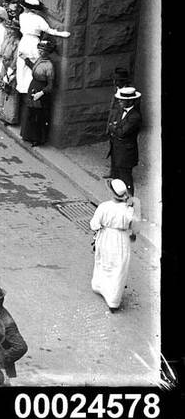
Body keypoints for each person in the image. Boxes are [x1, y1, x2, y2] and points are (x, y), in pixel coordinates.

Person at [90, 179, 139, 312]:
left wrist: (100, 227)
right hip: (121, 239)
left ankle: (100, 287)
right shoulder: (129, 210)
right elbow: (134, 227)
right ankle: (113, 300)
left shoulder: (104, 207)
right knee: (119, 267)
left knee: (105, 262)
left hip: (106, 237)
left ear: (112, 193)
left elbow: (94, 224)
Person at [105, 86, 143, 194]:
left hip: (126, 154)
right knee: (116, 180)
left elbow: (122, 132)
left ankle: (130, 203)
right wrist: (115, 128)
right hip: (117, 150)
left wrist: (114, 127)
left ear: (130, 101)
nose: (120, 102)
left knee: (126, 180)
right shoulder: (120, 111)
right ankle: (118, 201)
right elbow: (114, 124)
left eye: (123, 100)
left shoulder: (135, 116)